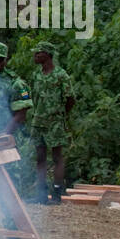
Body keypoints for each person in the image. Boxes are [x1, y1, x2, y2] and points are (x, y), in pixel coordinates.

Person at [29, 41, 76, 204]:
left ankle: (56, 192)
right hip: (38, 121)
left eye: (38, 53)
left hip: (55, 122)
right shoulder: (36, 74)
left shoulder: (61, 75)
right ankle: (41, 194)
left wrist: (61, 116)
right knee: (40, 157)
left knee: (57, 157)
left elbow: (70, 99)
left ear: (48, 55)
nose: (35, 56)